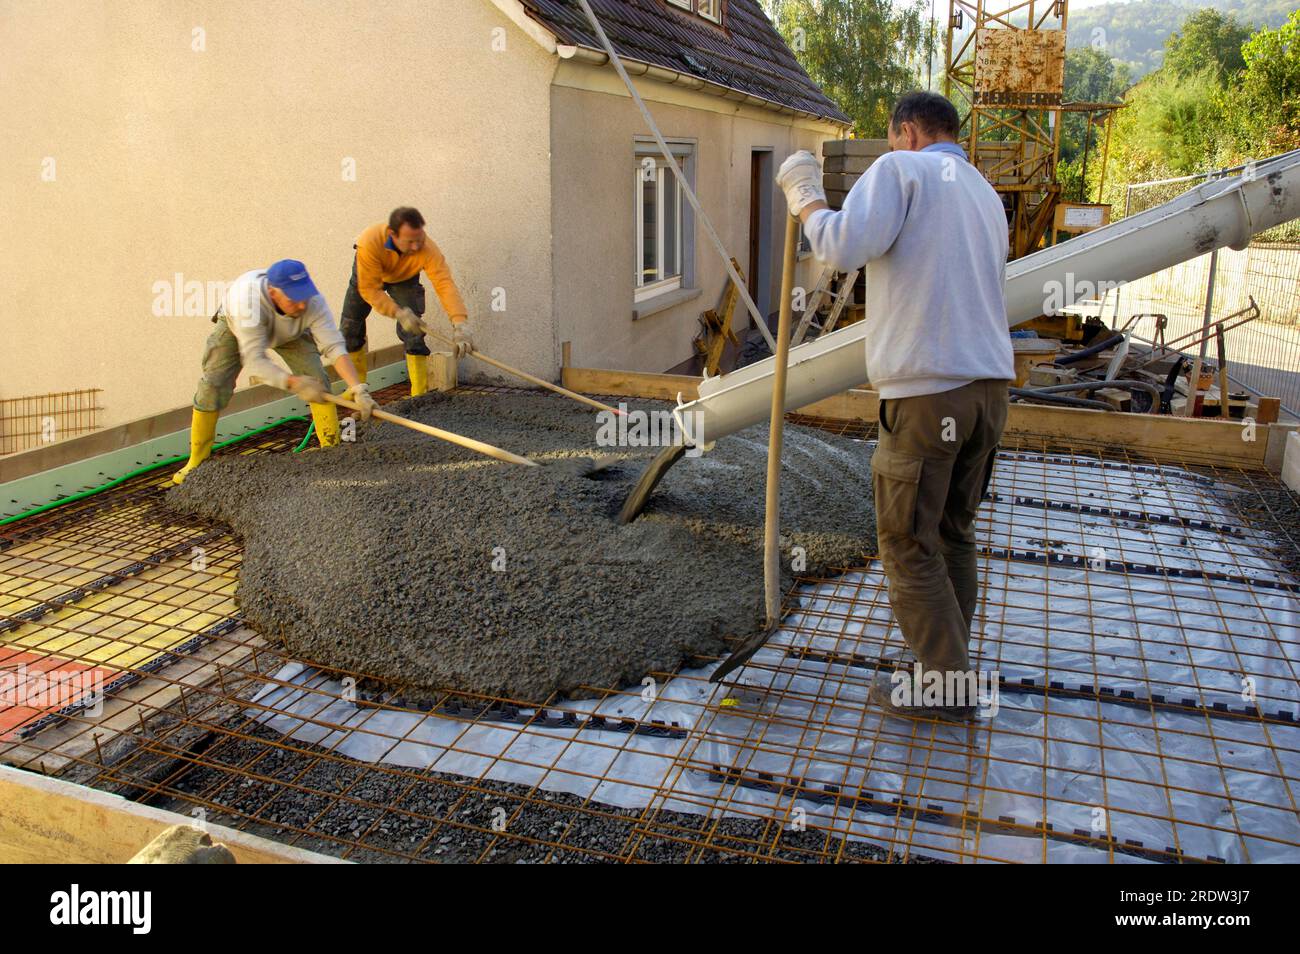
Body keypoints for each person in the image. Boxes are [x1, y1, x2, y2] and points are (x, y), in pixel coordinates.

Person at [776, 91, 1015, 722]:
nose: (886, 151)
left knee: (908, 542)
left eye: (889, 140)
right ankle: (951, 668)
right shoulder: (985, 195)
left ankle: (945, 687)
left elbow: (839, 248)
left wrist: (804, 195)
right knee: (951, 533)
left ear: (906, 133)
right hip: (989, 392)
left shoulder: (901, 170)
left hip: (927, 393)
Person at [173, 259, 374, 484]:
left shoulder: (311, 302)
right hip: (235, 326)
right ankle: (197, 460)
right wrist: (295, 383)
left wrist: (358, 388)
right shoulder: (246, 303)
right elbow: (256, 361)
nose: (301, 306)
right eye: (294, 299)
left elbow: (334, 345)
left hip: (291, 332)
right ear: (272, 292)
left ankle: (330, 448)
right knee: (213, 385)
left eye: (304, 298)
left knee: (318, 381)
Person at [340, 206, 473, 397]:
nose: (416, 247)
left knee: (413, 332)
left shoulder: (426, 247)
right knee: (350, 327)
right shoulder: (370, 242)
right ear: (392, 234)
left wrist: (460, 323)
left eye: (419, 240)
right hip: (370, 275)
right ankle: (357, 390)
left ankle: (419, 394)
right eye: (410, 242)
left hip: (405, 279)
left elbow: (444, 284)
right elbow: (370, 290)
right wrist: (398, 313)